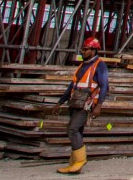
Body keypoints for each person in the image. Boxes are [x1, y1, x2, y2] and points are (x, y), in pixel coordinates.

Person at [55, 36, 109, 174]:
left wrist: (99, 105)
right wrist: (60, 102)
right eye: (83, 49)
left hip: (86, 104)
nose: (83, 52)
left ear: (94, 50)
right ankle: (73, 163)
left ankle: (80, 160)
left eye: (86, 49)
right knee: (76, 131)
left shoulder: (100, 65)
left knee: (72, 129)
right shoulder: (82, 66)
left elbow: (104, 86)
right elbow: (72, 86)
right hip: (75, 102)